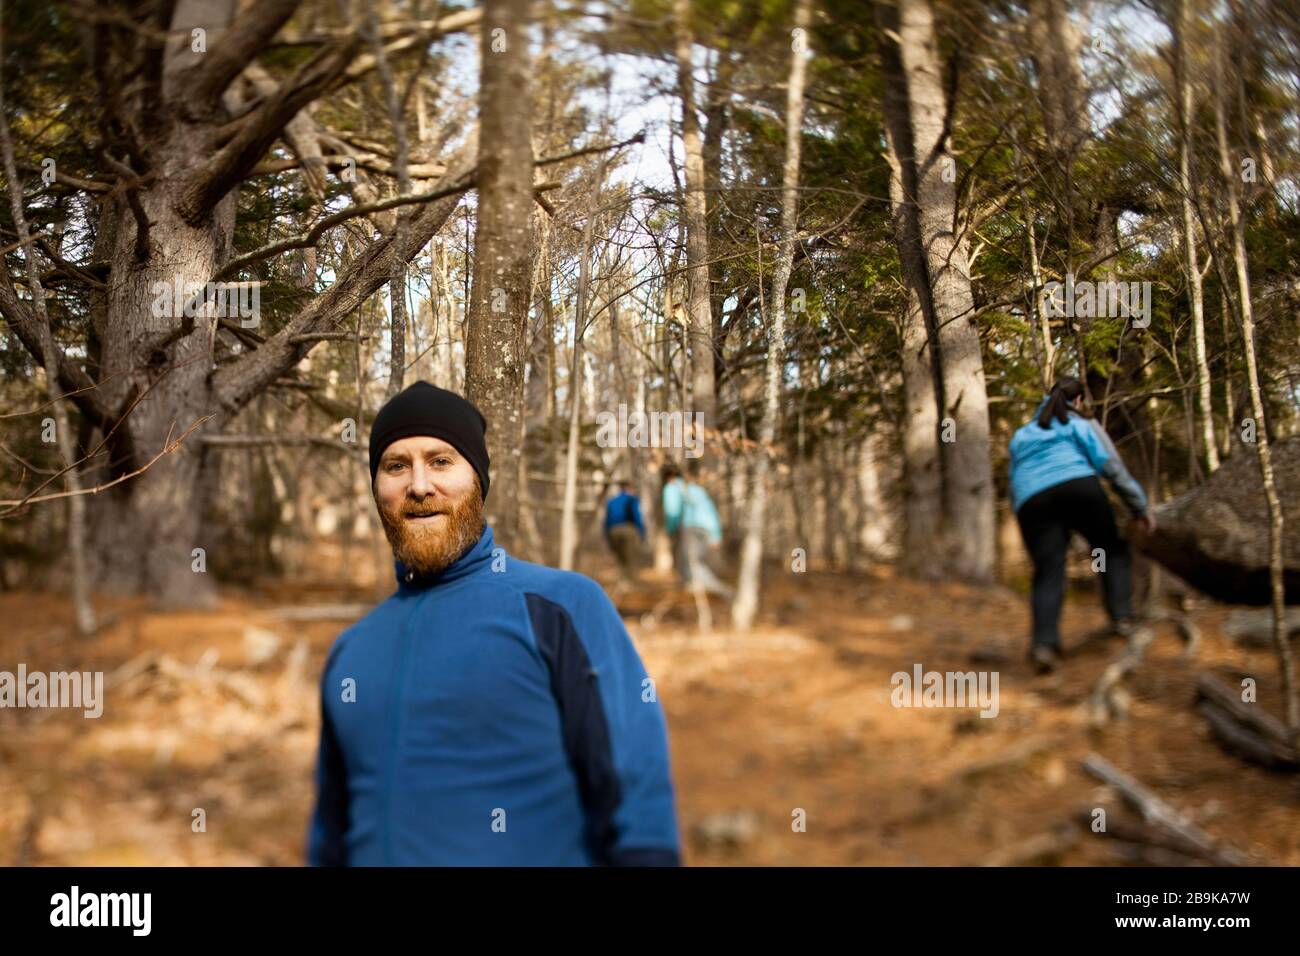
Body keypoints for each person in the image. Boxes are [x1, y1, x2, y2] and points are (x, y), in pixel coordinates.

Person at [307, 381, 680, 866]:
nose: (419, 486)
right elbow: (330, 837)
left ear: (479, 478)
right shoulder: (351, 652)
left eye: (441, 461)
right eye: (396, 465)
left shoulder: (561, 607)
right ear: (377, 487)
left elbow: (639, 803)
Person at [1009, 377, 1155, 674]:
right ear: (1078, 402)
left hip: (1032, 500)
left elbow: (1016, 479)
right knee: (1108, 549)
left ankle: (1044, 645)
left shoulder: (1022, 435)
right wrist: (1139, 507)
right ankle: (1121, 617)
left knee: (1049, 570)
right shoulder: (1081, 424)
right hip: (1078, 487)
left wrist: (1025, 515)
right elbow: (1111, 466)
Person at [661, 463, 734, 600]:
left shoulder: (671, 487)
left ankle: (723, 592)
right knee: (692, 563)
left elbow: (672, 511)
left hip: (691, 528)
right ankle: (695, 593)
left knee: (692, 564)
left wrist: (671, 531)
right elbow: (710, 510)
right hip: (706, 529)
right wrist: (715, 534)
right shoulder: (695, 489)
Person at [604, 480, 645, 586]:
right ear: (628, 488)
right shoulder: (632, 500)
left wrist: (608, 536)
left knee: (620, 557)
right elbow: (637, 517)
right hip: (628, 530)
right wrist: (642, 532)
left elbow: (606, 521)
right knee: (630, 557)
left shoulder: (612, 500)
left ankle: (622, 582)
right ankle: (630, 583)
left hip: (613, 531)